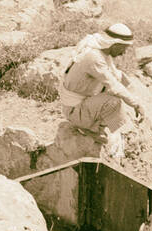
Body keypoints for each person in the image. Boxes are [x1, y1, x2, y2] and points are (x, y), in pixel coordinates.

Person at [59, 22, 138, 156]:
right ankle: (89, 128)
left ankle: (95, 125)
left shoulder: (101, 52)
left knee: (114, 94)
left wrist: (130, 86)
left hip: (78, 106)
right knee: (113, 101)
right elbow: (113, 85)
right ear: (115, 44)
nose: (124, 53)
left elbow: (115, 75)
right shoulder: (93, 58)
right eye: (123, 48)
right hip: (74, 112)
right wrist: (137, 104)